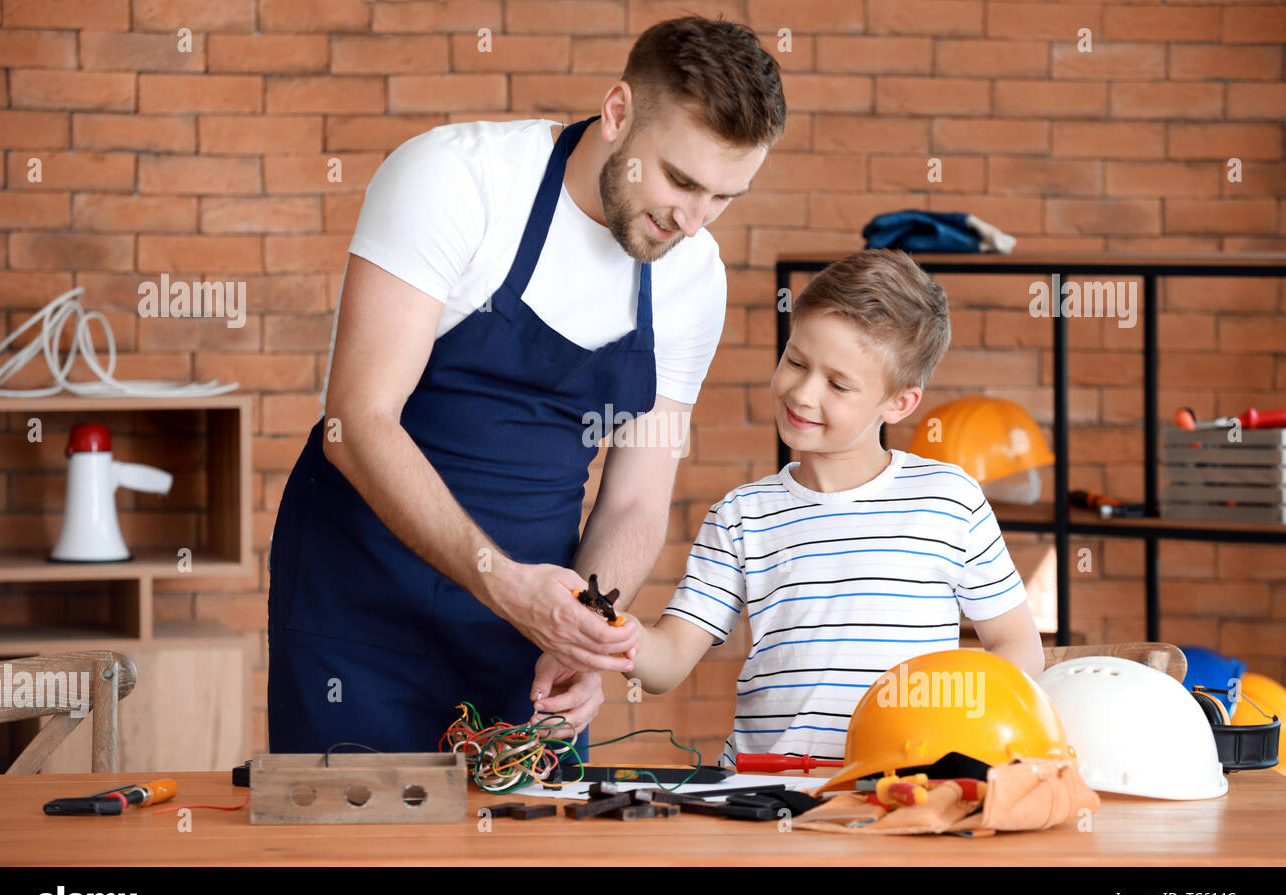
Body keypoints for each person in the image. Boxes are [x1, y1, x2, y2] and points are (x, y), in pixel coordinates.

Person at [266, 16, 786, 755]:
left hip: (531, 632)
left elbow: (636, 499)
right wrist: (506, 585)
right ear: (618, 112)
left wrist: (584, 633)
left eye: (725, 197)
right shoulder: (455, 180)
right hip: (358, 614)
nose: (693, 222)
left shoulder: (693, 278)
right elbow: (358, 421)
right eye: (680, 180)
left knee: (531, 823)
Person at [534, 249, 1045, 765]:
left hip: (901, 785)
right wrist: (618, 632)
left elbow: (1018, 647)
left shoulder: (949, 500)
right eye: (795, 361)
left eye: (838, 384)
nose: (802, 393)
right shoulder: (742, 517)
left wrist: (949, 724)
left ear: (899, 403)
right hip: (767, 788)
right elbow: (668, 664)